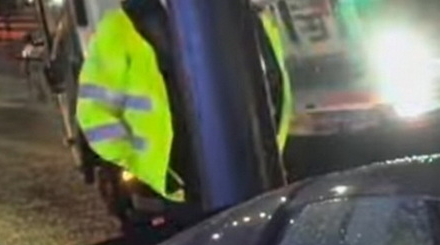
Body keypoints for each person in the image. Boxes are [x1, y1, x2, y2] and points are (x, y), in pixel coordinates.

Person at [74, 0, 292, 215]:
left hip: (253, 177)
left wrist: (269, 150)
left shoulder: (249, 17)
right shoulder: (121, 27)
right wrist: (137, 161)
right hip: (179, 186)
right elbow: (93, 113)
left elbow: (277, 89)